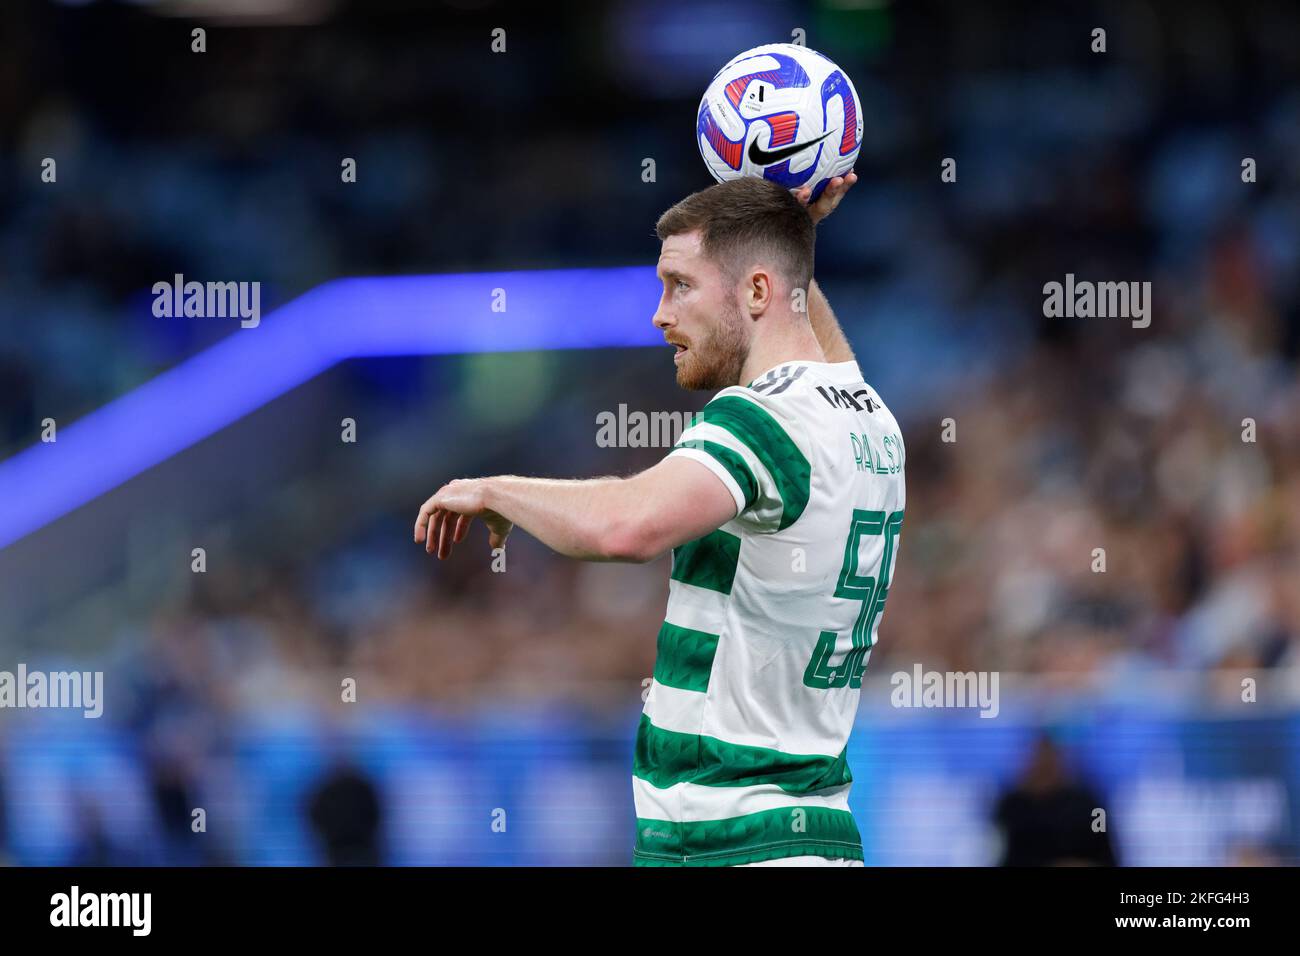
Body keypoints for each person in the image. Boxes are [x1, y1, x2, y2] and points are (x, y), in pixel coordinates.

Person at [415, 173, 906, 866]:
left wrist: (495, 489)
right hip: (811, 831)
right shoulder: (870, 417)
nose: (659, 313)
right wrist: (793, 220)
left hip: (730, 839)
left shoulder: (760, 420)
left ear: (758, 292)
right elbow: (805, 320)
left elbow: (627, 526)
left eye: (680, 284)